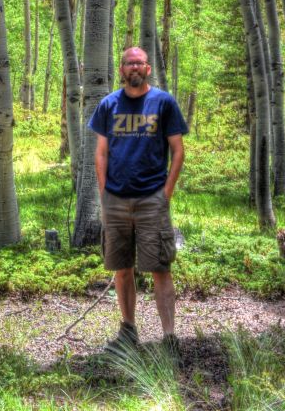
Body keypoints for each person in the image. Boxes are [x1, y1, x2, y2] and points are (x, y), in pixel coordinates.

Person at [89, 46, 187, 357]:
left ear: (147, 69)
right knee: (121, 267)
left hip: (151, 200)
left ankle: (169, 337)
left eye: (140, 63)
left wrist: (165, 194)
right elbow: (101, 154)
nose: (134, 67)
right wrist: (105, 195)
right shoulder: (108, 105)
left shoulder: (164, 103)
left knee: (160, 267)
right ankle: (128, 331)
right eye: (129, 63)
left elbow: (178, 151)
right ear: (121, 69)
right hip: (116, 200)